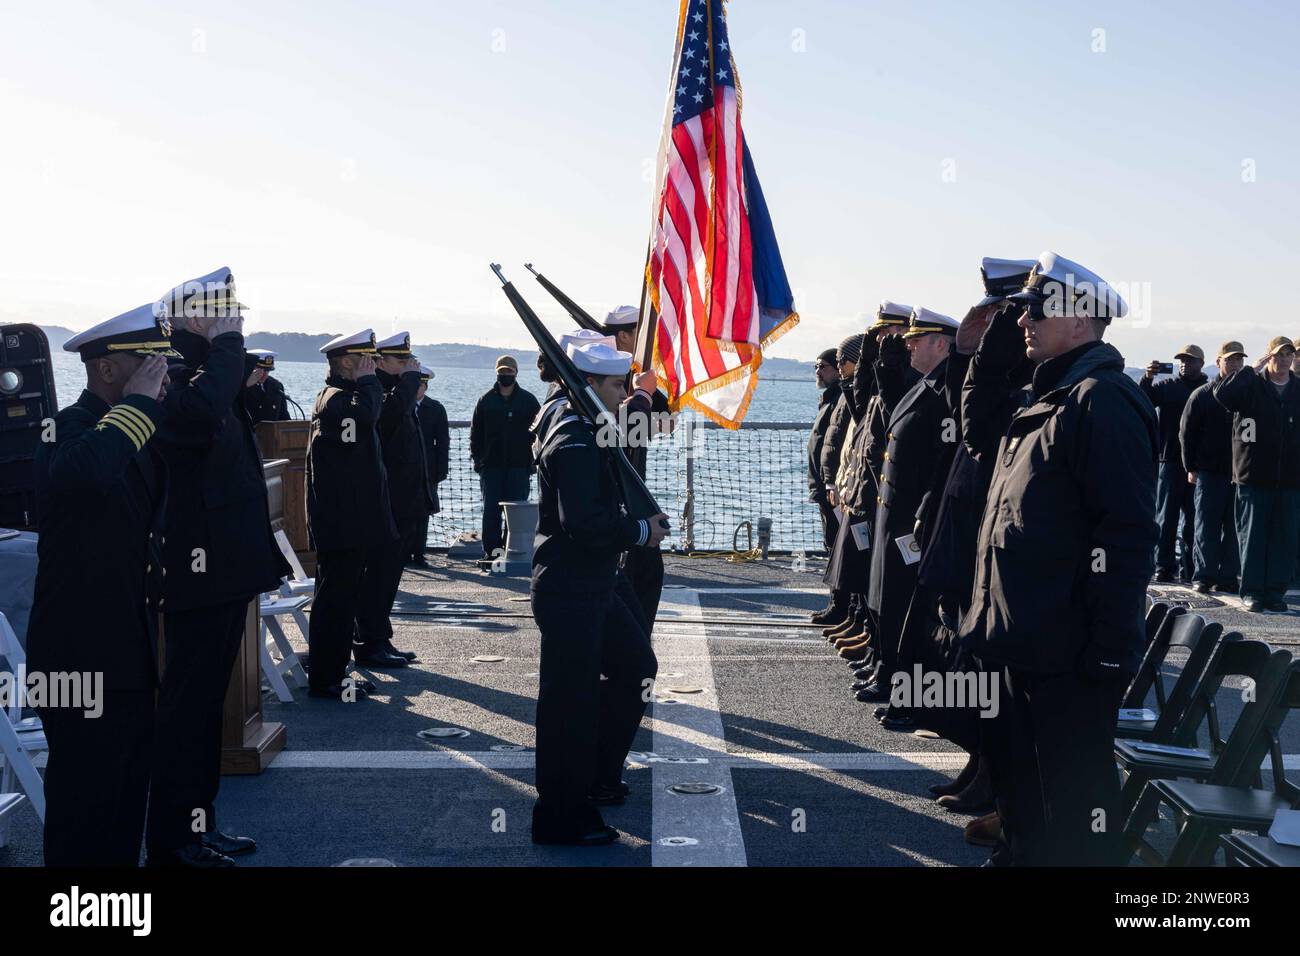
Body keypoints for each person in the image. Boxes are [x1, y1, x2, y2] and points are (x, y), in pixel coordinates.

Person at [961, 251, 1157, 866]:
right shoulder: (1049, 397)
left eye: (1035, 310)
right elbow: (978, 428)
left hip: (1068, 653)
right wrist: (995, 342)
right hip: (1022, 642)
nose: (1024, 321)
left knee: (1076, 814)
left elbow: (1125, 534)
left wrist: (1107, 645)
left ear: (1077, 319)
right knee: (1024, 798)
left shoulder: (1104, 400)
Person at [148, 267, 289, 867]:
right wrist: (227, 346)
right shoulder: (171, 375)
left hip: (224, 573)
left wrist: (230, 352)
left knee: (206, 709)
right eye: (224, 314)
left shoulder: (209, 374)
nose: (235, 322)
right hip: (197, 575)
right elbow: (200, 416)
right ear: (192, 317)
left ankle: (199, 827)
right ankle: (173, 842)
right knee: (186, 711)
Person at [28, 304, 173, 866]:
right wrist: (137, 406)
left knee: (121, 809)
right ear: (109, 370)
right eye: (150, 366)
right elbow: (82, 473)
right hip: (75, 659)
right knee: (82, 812)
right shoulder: (62, 429)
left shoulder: (133, 436)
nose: (162, 379)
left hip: (127, 655)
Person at [530, 341, 668, 845]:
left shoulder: (584, 423)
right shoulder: (574, 435)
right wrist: (638, 532)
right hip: (572, 583)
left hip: (595, 579)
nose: (625, 392)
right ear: (590, 385)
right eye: (617, 385)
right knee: (569, 703)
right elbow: (585, 522)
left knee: (637, 669)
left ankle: (595, 776)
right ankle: (561, 814)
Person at [863, 307, 957, 717]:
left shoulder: (947, 390)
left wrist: (926, 510)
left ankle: (912, 698)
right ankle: (894, 679)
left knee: (914, 611)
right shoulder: (924, 385)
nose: (909, 344)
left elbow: (944, 459)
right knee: (892, 602)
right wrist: (883, 374)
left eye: (917, 339)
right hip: (895, 514)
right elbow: (890, 423)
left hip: (917, 518)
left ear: (941, 343)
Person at [304, 328, 395, 697]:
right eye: (366, 360)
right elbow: (364, 421)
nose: (373, 367)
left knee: (341, 599)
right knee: (335, 602)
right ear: (346, 362)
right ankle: (327, 678)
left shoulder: (345, 399)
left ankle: (335, 671)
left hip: (348, 522)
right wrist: (371, 382)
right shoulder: (337, 402)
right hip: (341, 523)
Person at [353, 332, 426, 667]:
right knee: (378, 576)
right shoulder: (376, 392)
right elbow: (390, 417)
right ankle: (369, 642)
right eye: (401, 360)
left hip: (405, 501)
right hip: (387, 503)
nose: (408, 365)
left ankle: (381, 637)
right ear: (379, 361)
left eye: (408, 359)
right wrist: (410, 379)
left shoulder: (398, 392)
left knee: (390, 575)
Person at [1213, 335, 1300, 612]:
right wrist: (1251, 369)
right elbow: (1222, 395)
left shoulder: (1298, 389)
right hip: (1253, 477)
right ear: (1268, 357)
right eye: (1279, 354)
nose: (1285, 359)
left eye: (1289, 354)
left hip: (1290, 479)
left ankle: (1274, 592)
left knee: (1283, 538)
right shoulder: (1252, 386)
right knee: (1252, 537)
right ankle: (1251, 591)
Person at [601, 305, 671, 632]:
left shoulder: (632, 374)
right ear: (626, 336)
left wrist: (646, 393)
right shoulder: (602, 377)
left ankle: (634, 648)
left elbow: (666, 424)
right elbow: (610, 428)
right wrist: (639, 396)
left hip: (631, 491)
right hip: (610, 496)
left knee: (643, 575)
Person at [1180, 341, 1244, 594]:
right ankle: (1204, 576)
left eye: (1239, 360)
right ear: (1219, 362)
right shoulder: (1202, 395)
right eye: (1230, 360)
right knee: (1205, 526)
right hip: (1208, 472)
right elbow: (1186, 434)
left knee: (1234, 528)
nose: (1235, 364)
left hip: (1238, 473)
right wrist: (1190, 467)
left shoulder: (1248, 396)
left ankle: (1228, 576)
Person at [1140, 345, 1207, 582]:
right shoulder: (1167, 387)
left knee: (1193, 519)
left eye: (1190, 361)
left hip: (1199, 465)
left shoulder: (1207, 389)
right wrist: (1148, 378)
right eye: (1181, 361)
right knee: (1165, 518)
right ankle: (1163, 566)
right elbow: (1143, 400)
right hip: (1169, 460)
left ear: (1201, 363)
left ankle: (1189, 566)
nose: (1184, 364)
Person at [469, 355, 540, 560]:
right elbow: (476, 433)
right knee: (490, 513)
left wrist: (532, 462)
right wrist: (478, 460)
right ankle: (492, 554)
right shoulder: (485, 400)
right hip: (491, 467)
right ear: (496, 372)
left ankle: (512, 552)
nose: (505, 374)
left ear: (516, 373)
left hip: (519, 467)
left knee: (516, 515)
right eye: (502, 371)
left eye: (509, 371)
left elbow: (538, 434)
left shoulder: (528, 401)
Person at [407, 365, 450, 567]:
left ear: (425, 386)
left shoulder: (436, 409)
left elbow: (442, 442)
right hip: (404, 468)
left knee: (423, 513)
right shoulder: (400, 406)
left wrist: (441, 471)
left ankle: (419, 553)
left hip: (428, 469)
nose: (417, 388)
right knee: (404, 512)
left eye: (420, 384)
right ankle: (403, 552)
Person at [241, 349, 289, 424]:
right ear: (250, 368)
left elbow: (284, 417)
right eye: (260, 371)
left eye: (267, 371)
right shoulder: (240, 385)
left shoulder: (276, 386)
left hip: (272, 434)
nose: (264, 375)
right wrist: (245, 386)